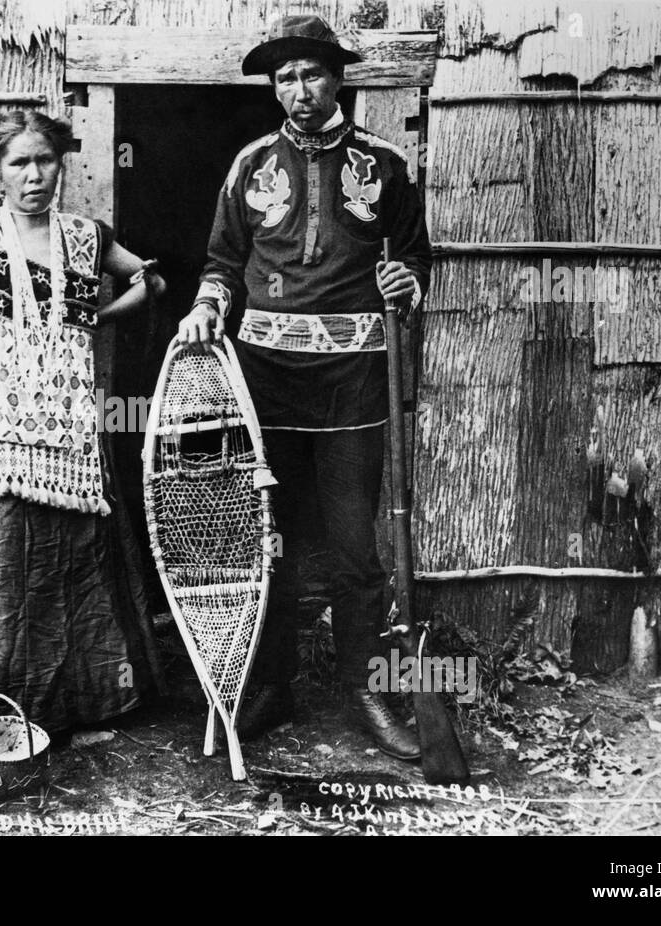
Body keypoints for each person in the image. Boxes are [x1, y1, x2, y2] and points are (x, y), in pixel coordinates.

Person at [179, 15, 432, 760]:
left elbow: (416, 256)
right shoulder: (249, 163)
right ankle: (270, 686)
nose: (299, 91)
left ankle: (364, 691)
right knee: (268, 541)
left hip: (354, 382)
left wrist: (404, 279)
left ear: (338, 78)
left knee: (356, 551)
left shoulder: (384, 164)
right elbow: (223, 263)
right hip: (265, 384)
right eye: (285, 78)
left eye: (311, 74)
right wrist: (205, 307)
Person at [0, 110, 166, 739]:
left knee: (77, 578)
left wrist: (100, 317)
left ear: (61, 163)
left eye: (46, 161)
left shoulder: (85, 238)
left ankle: (76, 711)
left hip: (74, 443)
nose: (35, 176)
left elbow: (151, 279)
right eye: (19, 164)